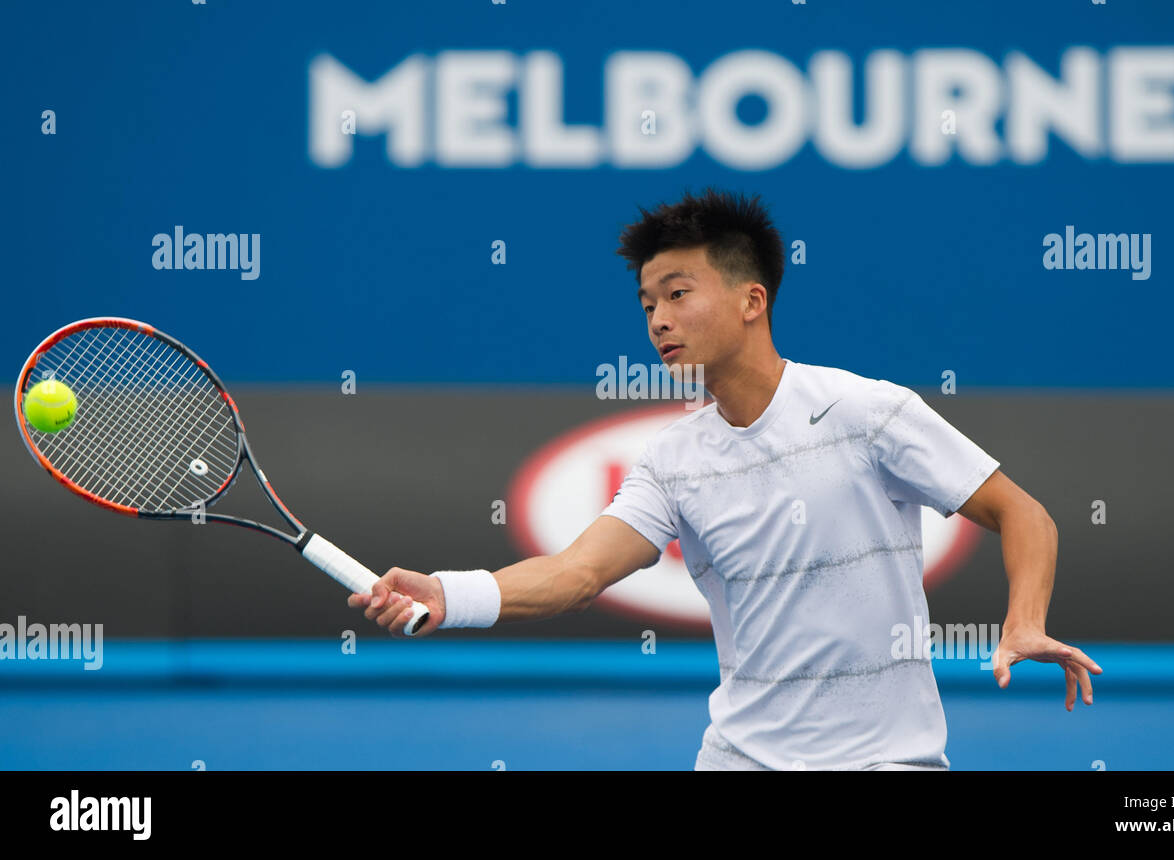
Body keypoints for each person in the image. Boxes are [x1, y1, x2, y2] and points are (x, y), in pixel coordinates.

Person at [349, 187, 1102, 770]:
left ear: (752, 300)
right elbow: (576, 573)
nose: (657, 320)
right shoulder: (673, 462)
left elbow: (1023, 513)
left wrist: (1024, 622)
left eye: (678, 293)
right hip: (741, 758)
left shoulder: (867, 412)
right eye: (647, 303)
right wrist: (452, 595)